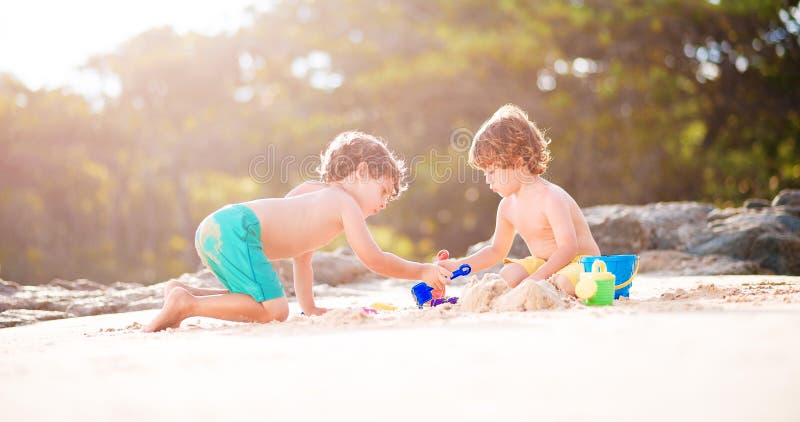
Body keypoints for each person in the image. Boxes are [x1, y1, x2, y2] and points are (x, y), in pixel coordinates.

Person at [144, 131, 451, 332]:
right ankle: (188, 305)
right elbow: (375, 259)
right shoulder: (344, 203)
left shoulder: (314, 195)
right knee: (274, 310)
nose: (384, 203)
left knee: (253, 299)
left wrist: (310, 307)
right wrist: (422, 270)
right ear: (361, 172)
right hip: (238, 229)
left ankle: (184, 292)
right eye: (384, 191)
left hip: (217, 227)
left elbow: (301, 259)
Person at [439, 104, 600, 296]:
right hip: (545, 263)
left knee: (564, 281)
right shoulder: (507, 206)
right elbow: (496, 251)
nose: (487, 179)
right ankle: (549, 283)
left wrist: (536, 279)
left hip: (580, 262)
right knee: (508, 275)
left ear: (517, 161)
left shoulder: (551, 197)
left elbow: (568, 248)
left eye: (491, 171)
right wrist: (457, 265)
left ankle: (560, 285)